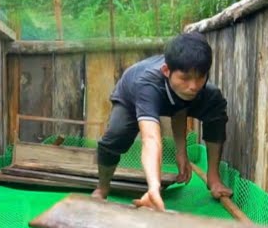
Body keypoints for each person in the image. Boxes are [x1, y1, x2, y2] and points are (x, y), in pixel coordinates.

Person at [94, 31, 232, 211]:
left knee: (214, 100)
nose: (194, 86)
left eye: (200, 77)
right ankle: (102, 188)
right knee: (115, 136)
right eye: (185, 78)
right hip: (130, 98)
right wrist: (153, 187)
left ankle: (213, 177)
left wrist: (181, 152)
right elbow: (151, 139)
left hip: (172, 96)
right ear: (166, 71)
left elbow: (180, 108)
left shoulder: (193, 87)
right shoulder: (147, 85)